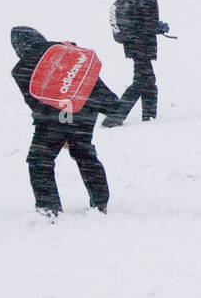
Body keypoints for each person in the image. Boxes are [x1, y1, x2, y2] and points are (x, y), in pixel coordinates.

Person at [10, 26, 122, 217]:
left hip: (54, 115)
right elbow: (89, 79)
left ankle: (49, 208)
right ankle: (100, 203)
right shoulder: (67, 50)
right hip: (84, 109)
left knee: (40, 160)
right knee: (85, 154)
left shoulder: (23, 66)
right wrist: (107, 104)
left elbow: (34, 101)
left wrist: (58, 128)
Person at [102, 0, 168, 126]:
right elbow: (145, 22)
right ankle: (115, 117)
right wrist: (157, 27)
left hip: (134, 44)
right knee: (141, 82)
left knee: (148, 81)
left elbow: (140, 21)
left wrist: (154, 26)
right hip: (142, 45)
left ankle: (149, 117)